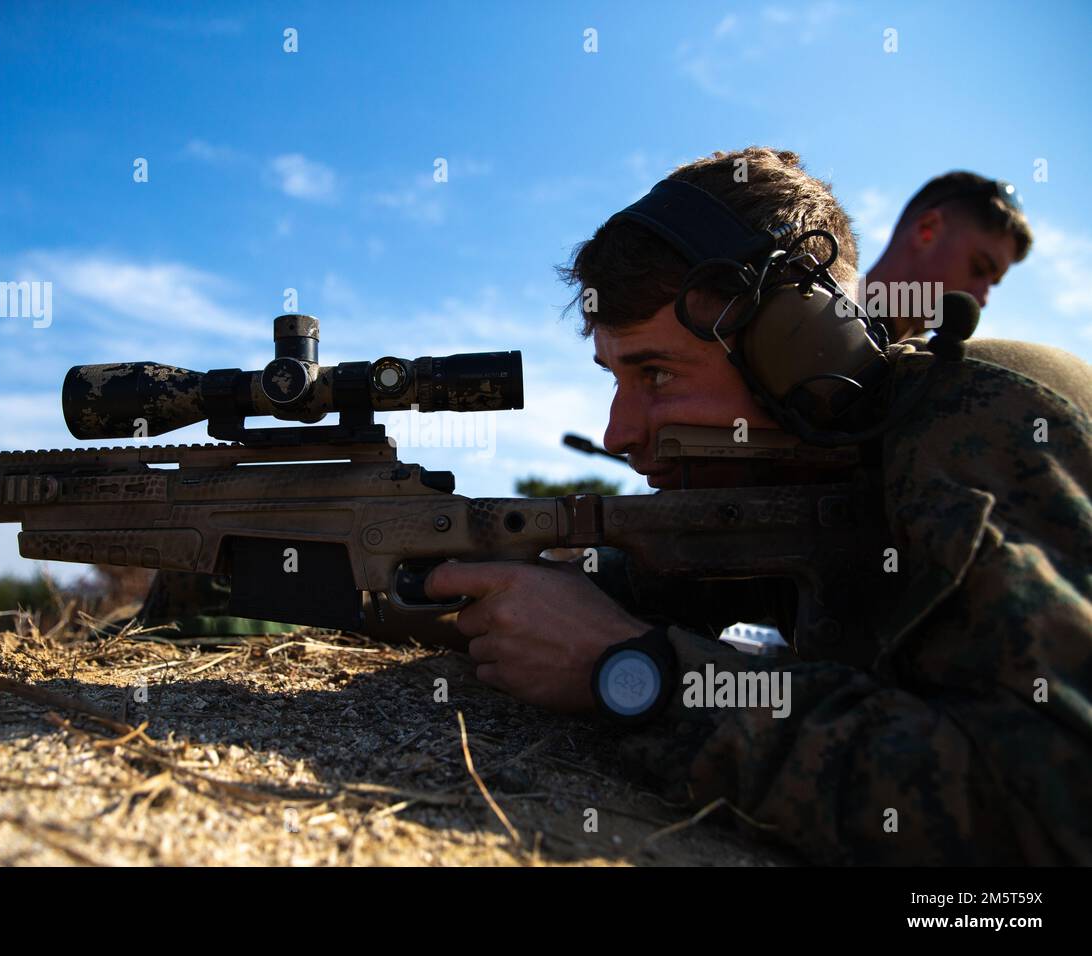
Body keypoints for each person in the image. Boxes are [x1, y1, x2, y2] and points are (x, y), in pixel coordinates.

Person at [424, 147, 1092, 865]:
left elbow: (1049, 808)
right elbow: (657, 585)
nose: (618, 433)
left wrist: (633, 674)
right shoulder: (798, 477)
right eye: (616, 377)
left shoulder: (978, 426)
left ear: (799, 354)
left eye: (655, 373)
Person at [866, 171, 1034, 340]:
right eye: (979, 268)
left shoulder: (925, 363)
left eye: (993, 282)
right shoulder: (840, 326)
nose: (983, 300)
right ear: (927, 229)